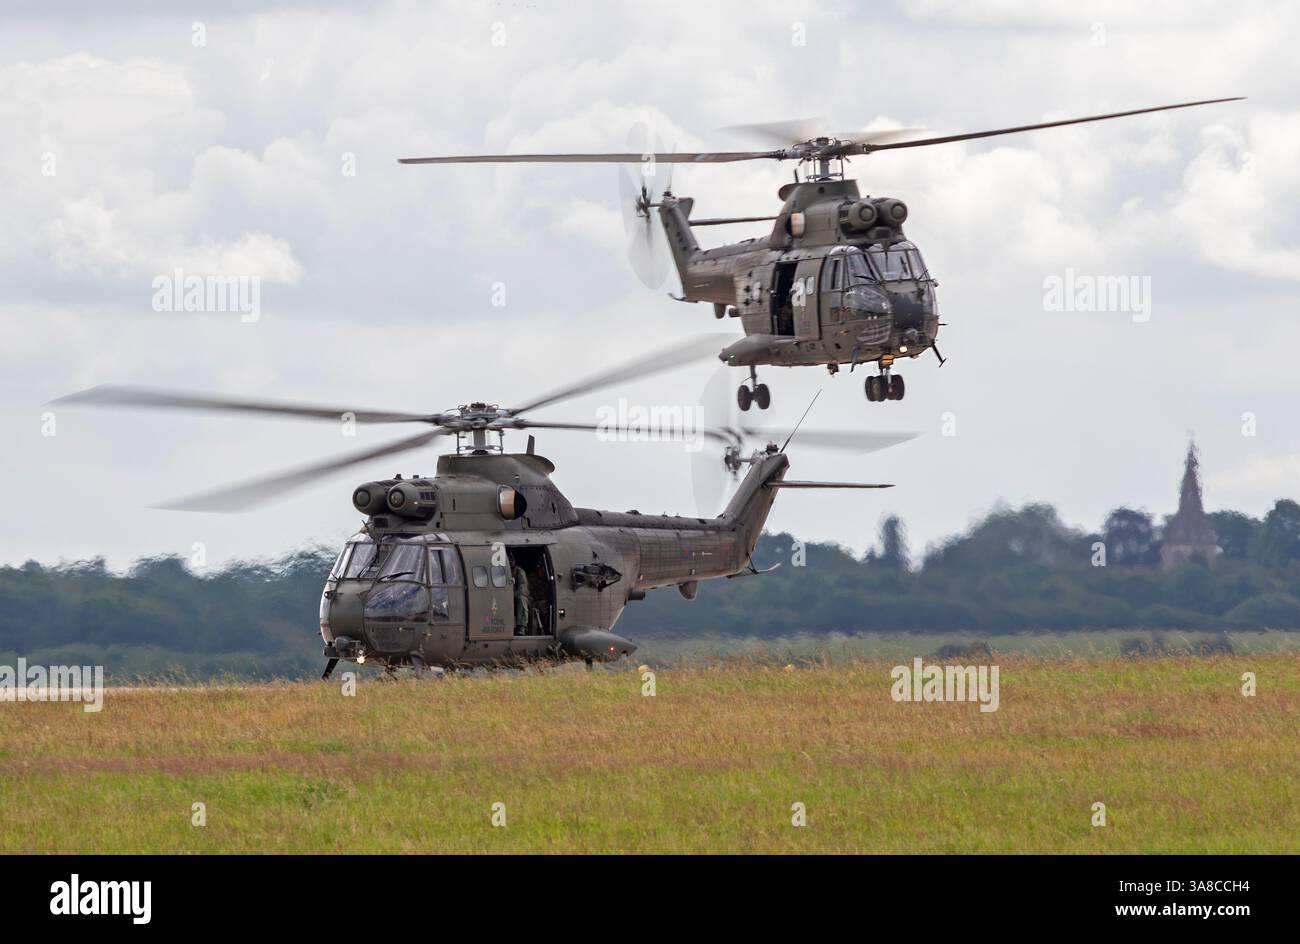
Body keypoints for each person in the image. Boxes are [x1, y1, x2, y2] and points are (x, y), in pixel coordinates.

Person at [512, 561, 531, 636]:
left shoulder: (519, 571)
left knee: (522, 598)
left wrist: (511, 595)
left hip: (517, 594)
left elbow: (523, 588)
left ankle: (521, 626)